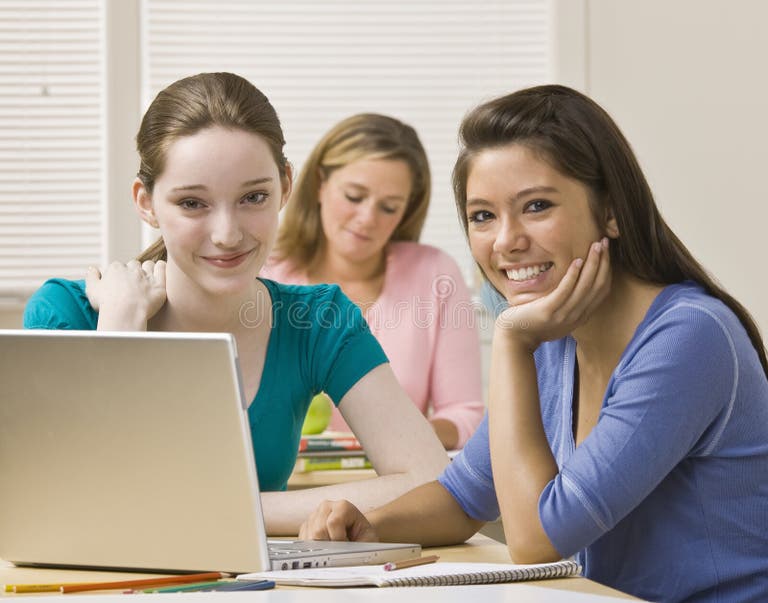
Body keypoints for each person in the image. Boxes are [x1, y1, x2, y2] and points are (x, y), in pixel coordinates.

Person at [297, 85, 768, 602]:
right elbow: (463, 497)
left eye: (537, 206)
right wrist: (369, 525)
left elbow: (535, 541)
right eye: (483, 216)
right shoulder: (553, 336)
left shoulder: (688, 337)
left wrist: (511, 339)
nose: (506, 241)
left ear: (612, 210)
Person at [22, 72, 448, 536]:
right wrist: (119, 332)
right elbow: (53, 505)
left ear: (285, 186)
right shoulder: (68, 315)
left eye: (253, 197)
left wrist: (237, 510)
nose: (227, 234)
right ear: (146, 203)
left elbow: (432, 484)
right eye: (192, 203)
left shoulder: (318, 320)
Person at [262, 113, 483, 449]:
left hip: (398, 476)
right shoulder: (265, 274)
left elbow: (466, 416)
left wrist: (400, 439)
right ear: (320, 183)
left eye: (389, 207)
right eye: (354, 196)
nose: (367, 219)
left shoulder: (435, 275)